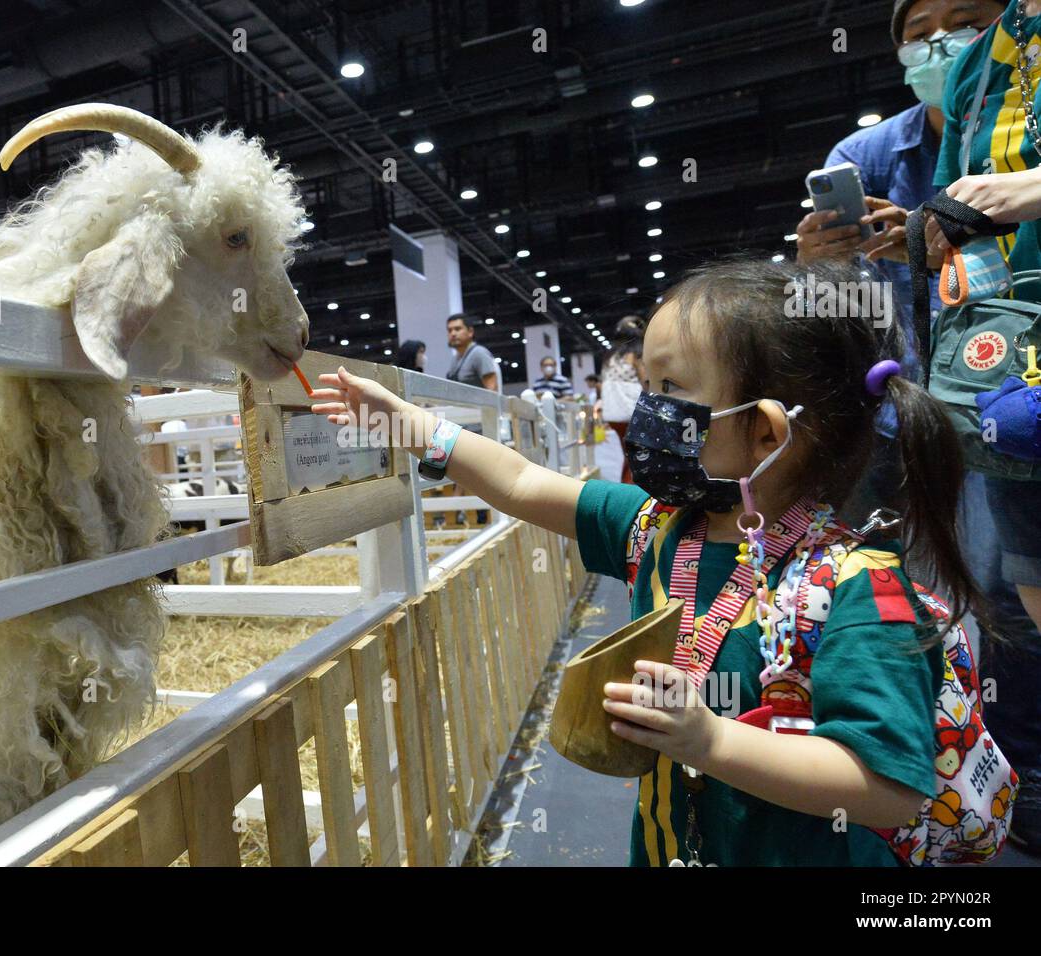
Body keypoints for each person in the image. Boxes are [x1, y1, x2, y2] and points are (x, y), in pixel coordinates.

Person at [310, 258, 988, 866]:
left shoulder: (855, 587)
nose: (649, 411)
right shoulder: (658, 531)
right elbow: (522, 484)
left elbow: (889, 788)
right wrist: (414, 425)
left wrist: (710, 742)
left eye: (671, 388)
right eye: (647, 384)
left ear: (764, 431)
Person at [795, 0, 1006, 526]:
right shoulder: (864, 154)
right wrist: (815, 267)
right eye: (919, 32)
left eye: (964, 23)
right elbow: (831, 305)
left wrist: (940, 243)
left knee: (1001, 578)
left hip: (1003, 394)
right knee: (879, 564)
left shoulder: (1022, 139)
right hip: (892, 405)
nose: (940, 41)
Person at [925, 0, 1041, 852]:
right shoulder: (980, 62)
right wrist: (925, 232)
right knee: (1029, 588)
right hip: (1005, 371)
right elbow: (952, 219)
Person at [599, 316, 647, 483]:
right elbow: (645, 380)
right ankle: (633, 490)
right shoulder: (635, 353)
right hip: (631, 413)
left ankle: (626, 486)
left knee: (628, 455)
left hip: (613, 415)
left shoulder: (610, 356)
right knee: (637, 457)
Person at [444, 313, 499, 391]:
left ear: (470, 332)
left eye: (457, 329)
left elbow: (492, 391)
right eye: (449, 330)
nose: (453, 334)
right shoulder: (455, 359)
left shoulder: (479, 353)